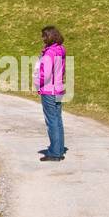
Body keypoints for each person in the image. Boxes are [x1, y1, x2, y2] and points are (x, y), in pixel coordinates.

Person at [36, 26, 67, 161]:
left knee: (51, 121)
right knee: (58, 119)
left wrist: (37, 81)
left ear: (50, 36)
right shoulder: (61, 50)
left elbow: (46, 74)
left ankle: (54, 153)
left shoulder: (49, 53)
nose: (43, 39)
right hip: (59, 88)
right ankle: (59, 149)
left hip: (49, 90)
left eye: (44, 36)